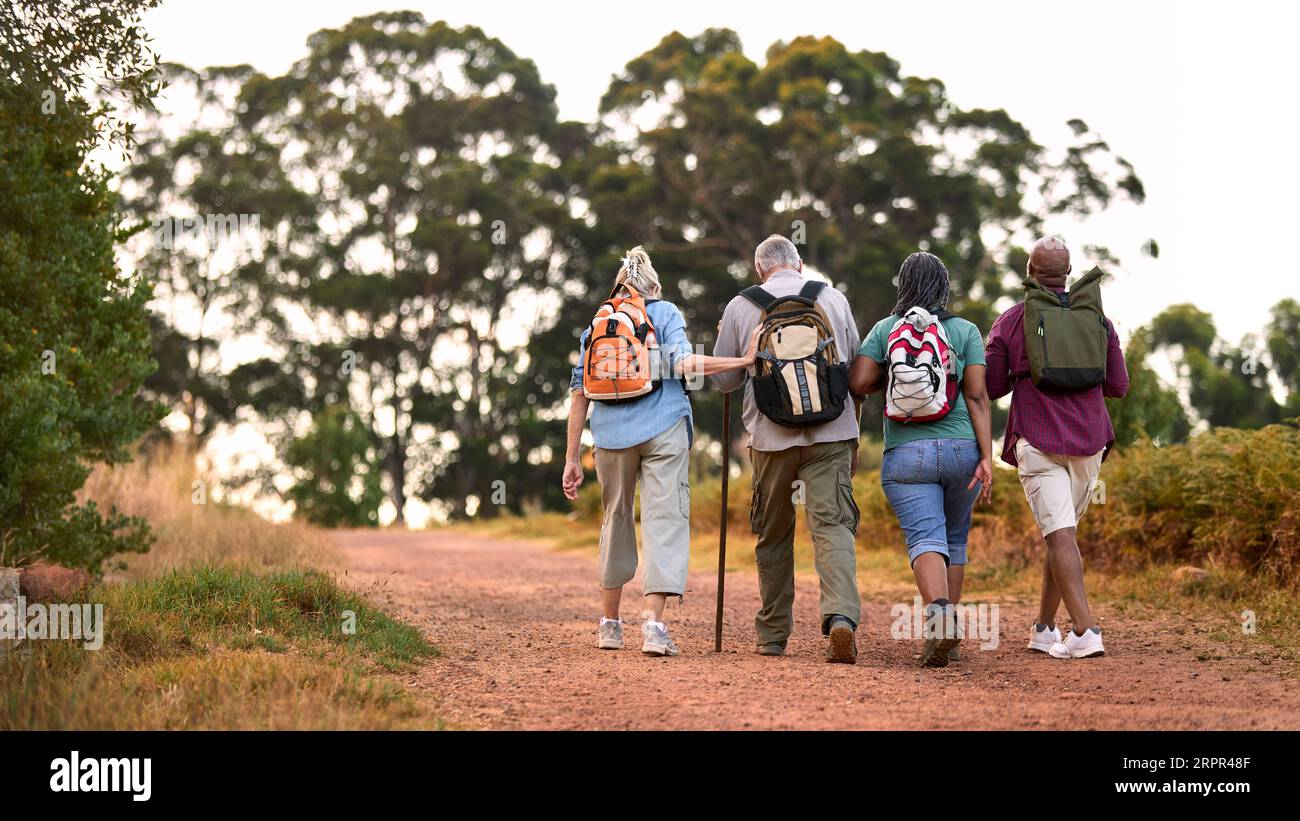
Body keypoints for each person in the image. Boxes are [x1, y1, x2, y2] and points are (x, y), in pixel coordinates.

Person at [563, 246, 760, 656]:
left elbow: (579, 393)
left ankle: (609, 626)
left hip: (610, 435)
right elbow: (683, 363)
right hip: (664, 427)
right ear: (653, 285)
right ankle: (654, 627)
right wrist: (740, 361)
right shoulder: (665, 311)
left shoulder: (597, 324)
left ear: (620, 287)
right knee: (664, 518)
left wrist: (570, 459)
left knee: (615, 517)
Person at [712, 235, 864, 663]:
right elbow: (852, 367)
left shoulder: (742, 305)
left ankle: (773, 636)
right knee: (832, 527)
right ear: (799, 262)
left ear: (761, 270)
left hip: (769, 438)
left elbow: (725, 381)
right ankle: (840, 620)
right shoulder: (831, 298)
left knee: (773, 534)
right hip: (831, 433)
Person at [984, 236, 1129, 660]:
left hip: (1039, 439)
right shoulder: (1098, 320)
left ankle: (1085, 631)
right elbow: (1118, 386)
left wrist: (1020, 373)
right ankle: (1045, 629)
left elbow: (992, 386)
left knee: (1059, 534)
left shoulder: (1011, 321)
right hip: (1089, 441)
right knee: (1060, 532)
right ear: (1068, 274)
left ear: (1029, 272)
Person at [849, 251, 993, 667]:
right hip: (962, 448)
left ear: (902, 286)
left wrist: (892, 374)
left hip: (907, 454)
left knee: (925, 538)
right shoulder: (965, 330)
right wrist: (986, 457)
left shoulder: (885, 329)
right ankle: (946, 629)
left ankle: (941, 619)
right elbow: (978, 395)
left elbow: (857, 382)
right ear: (944, 288)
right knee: (955, 539)